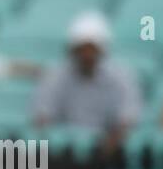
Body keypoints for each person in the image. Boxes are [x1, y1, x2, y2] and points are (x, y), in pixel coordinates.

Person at [31, 11, 142, 155]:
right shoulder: (55, 76)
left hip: (108, 152)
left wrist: (109, 144)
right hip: (65, 154)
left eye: (91, 49)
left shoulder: (121, 77)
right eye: (81, 49)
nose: (87, 55)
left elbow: (128, 119)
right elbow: (42, 117)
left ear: (102, 50)